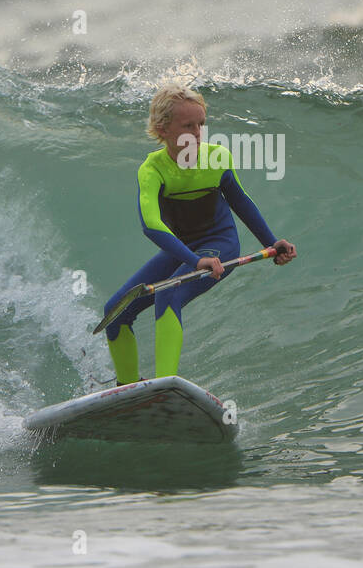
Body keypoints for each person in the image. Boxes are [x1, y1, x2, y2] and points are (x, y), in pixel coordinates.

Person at [102, 84, 296, 384]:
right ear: (162, 129)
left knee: (169, 292)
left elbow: (241, 203)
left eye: (201, 125)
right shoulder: (152, 170)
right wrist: (193, 260)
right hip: (184, 249)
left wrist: (272, 244)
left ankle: (164, 386)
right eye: (187, 126)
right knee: (115, 310)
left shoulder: (216, 159)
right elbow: (151, 225)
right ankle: (127, 390)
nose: (196, 133)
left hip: (220, 246)